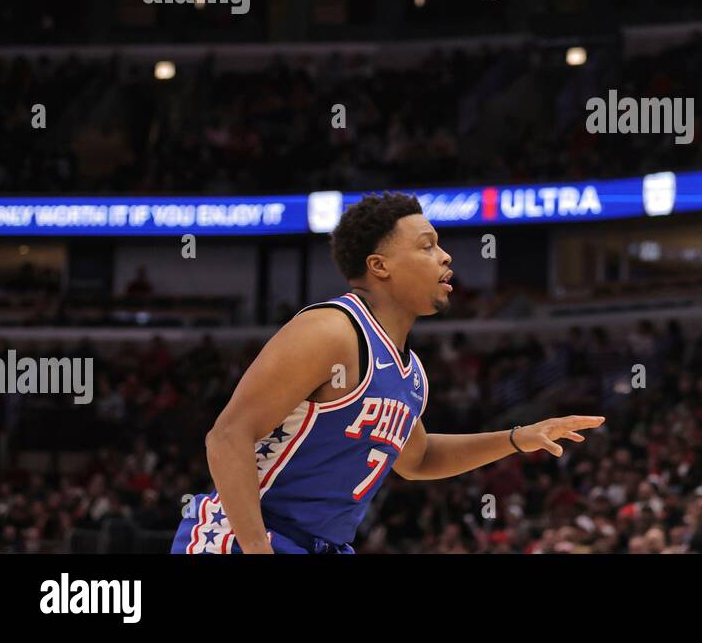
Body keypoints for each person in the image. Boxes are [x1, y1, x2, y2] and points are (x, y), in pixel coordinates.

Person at [171, 192, 603, 554]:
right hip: (242, 538)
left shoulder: (411, 374)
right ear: (380, 266)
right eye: (427, 245)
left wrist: (516, 438)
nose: (446, 255)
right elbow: (227, 436)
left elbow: (417, 460)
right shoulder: (331, 330)